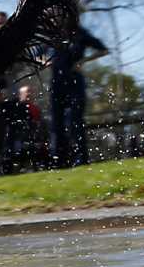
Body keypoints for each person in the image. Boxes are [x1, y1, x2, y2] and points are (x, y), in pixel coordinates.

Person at [46, 25, 110, 168]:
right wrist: (45, 61)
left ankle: (81, 158)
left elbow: (104, 50)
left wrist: (83, 61)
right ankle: (58, 161)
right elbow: (38, 54)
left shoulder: (81, 33)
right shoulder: (52, 34)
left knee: (75, 121)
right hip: (56, 84)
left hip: (75, 83)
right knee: (56, 124)